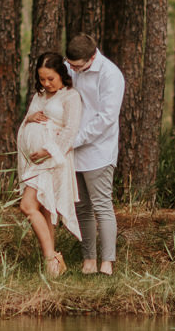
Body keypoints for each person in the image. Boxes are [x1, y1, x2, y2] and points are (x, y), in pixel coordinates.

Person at [30, 33, 124, 275]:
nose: (71, 70)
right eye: (69, 66)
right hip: (70, 150)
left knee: (102, 205)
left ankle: (107, 263)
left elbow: (106, 118)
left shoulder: (110, 76)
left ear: (92, 57)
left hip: (98, 149)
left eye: (76, 66)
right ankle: (89, 260)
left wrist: (73, 140)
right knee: (81, 206)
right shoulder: (71, 67)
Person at [16, 54, 83, 277]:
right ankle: (54, 264)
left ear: (62, 75)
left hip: (53, 160)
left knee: (27, 205)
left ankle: (51, 259)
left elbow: (71, 130)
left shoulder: (71, 97)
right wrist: (30, 117)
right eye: (42, 79)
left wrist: (48, 150)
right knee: (43, 209)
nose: (46, 83)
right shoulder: (40, 95)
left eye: (50, 78)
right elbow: (29, 118)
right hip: (36, 162)